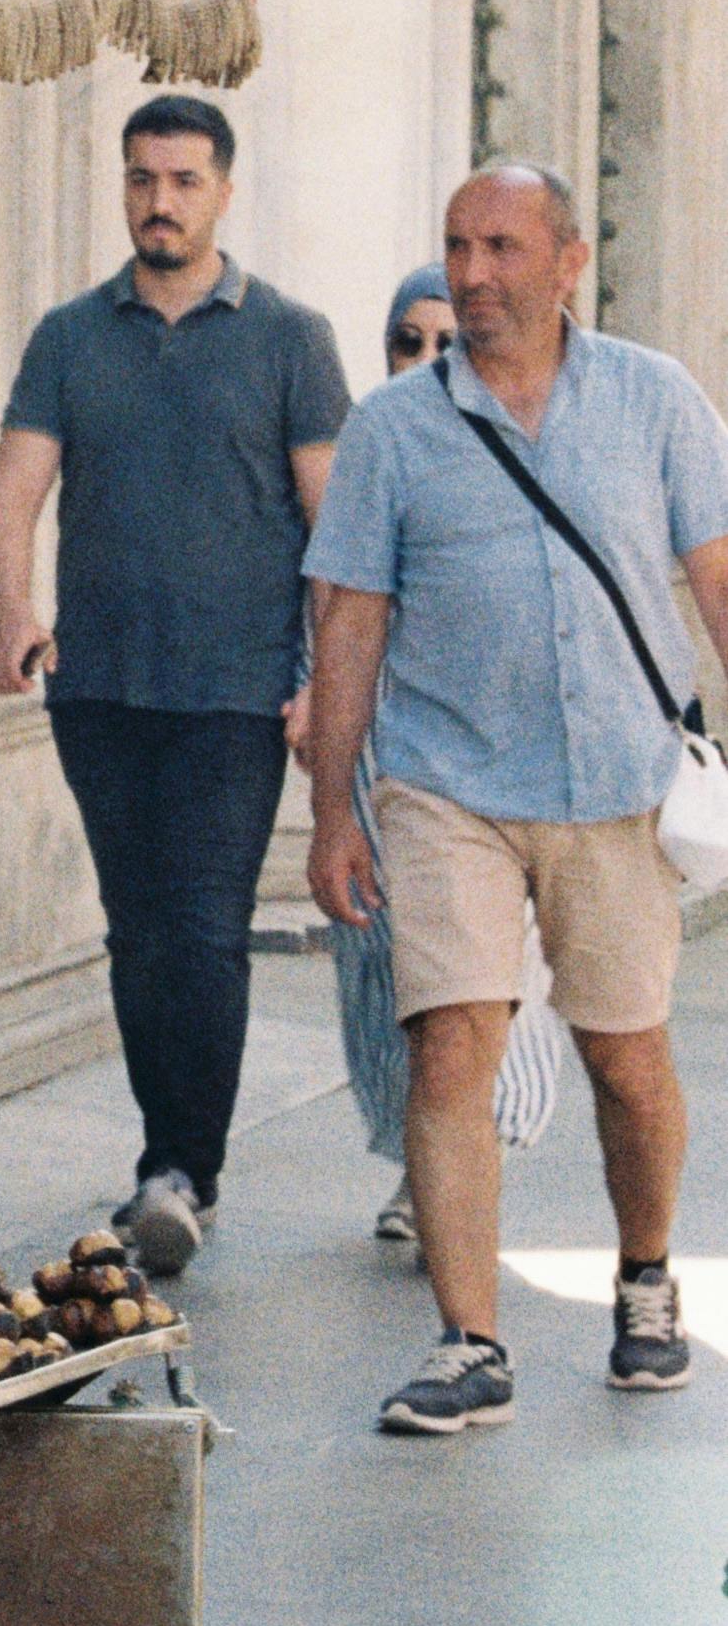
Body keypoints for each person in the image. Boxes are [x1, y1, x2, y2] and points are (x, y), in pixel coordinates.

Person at [304, 156, 728, 1438]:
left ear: (566, 261)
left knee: (626, 1053)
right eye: (456, 246)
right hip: (449, 783)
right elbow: (351, 622)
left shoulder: (655, 399)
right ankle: (467, 1338)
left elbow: (715, 574)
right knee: (452, 1038)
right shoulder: (393, 429)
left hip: (614, 780)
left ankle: (646, 1280)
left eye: (499, 246)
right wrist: (335, 806)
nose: (472, 273)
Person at [0, 94, 348, 1277]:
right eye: (142, 178)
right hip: (101, 691)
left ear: (223, 191)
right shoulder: (71, 334)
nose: (160, 201)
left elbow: (333, 529)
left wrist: (319, 685)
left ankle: (185, 1166)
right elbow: (14, 489)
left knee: (201, 932)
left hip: (235, 695)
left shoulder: (290, 335)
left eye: (183, 180)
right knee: (138, 936)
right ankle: (165, 1157)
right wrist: (12, 615)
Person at [345, 266, 466, 1257]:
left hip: (497, 762)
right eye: (406, 339)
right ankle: (414, 1158)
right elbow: (334, 590)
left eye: (445, 341)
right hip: (383, 745)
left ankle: (451, 1177)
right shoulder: (373, 443)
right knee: (382, 966)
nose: (424, 360)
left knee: (466, 980)